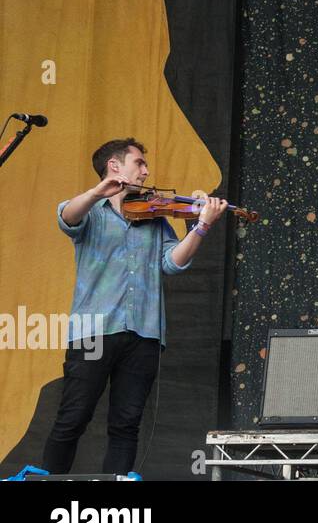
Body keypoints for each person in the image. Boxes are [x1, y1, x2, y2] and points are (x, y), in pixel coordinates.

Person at [43, 138, 226, 475]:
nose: (146, 170)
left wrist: (202, 226)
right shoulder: (91, 211)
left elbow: (172, 263)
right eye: (139, 163)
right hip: (93, 332)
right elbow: (66, 217)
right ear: (115, 166)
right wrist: (99, 191)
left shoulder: (154, 217)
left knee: (126, 425)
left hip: (144, 332)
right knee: (72, 418)